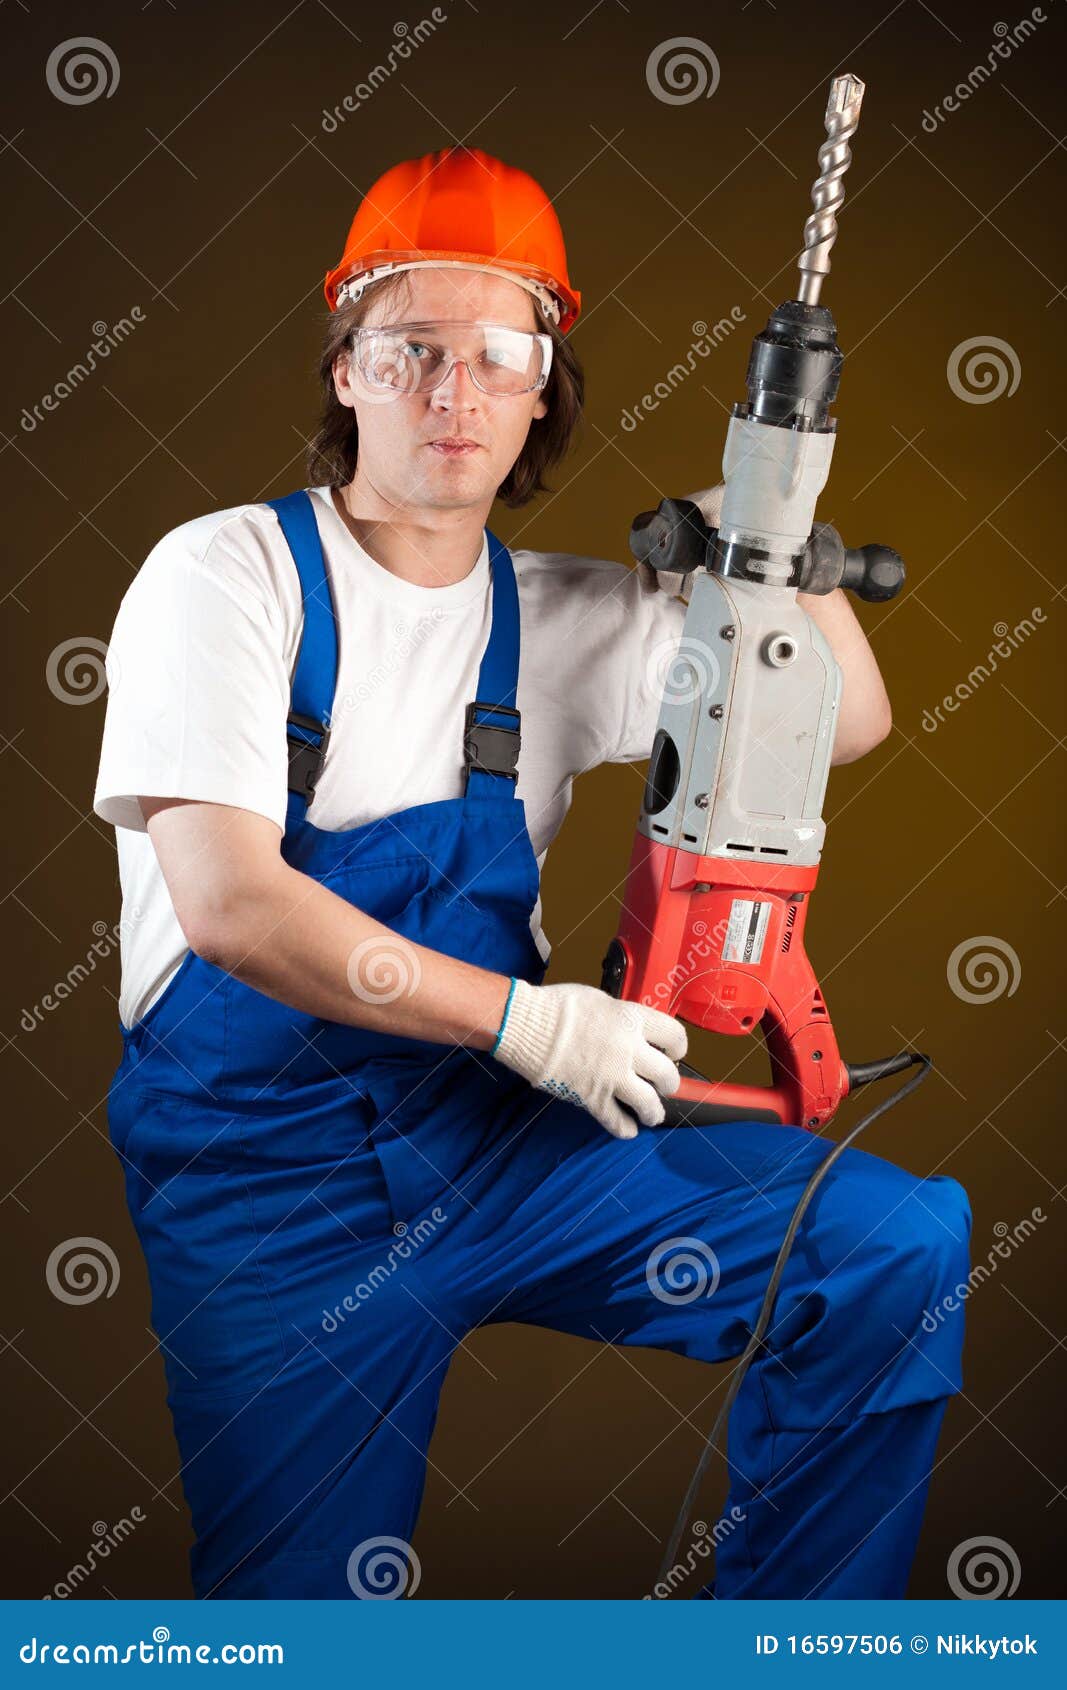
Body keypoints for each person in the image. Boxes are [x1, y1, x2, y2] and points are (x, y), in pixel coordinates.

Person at [93, 145, 971, 1601]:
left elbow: (848, 720)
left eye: (500, 355)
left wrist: (773, 551)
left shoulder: (566, 616)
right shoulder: (227, 577)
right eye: (411, 348)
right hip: (273, 1189)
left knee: (889, 1244)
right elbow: (233, 904)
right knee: (297, 1628)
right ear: (346, 371)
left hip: (499, 1143)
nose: (456, 390)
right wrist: (532, 1024)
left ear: (541, 390)